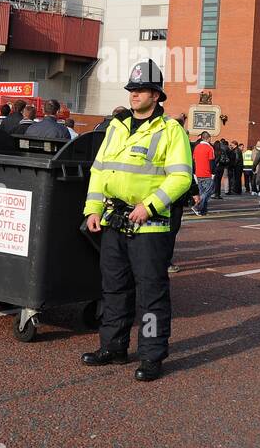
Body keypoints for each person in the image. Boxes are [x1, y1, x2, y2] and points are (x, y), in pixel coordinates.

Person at [81, 59, 191, 382]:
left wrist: (150, 206)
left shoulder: (171, 130)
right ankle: (113, 347)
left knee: (151, 293)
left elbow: (181, 178)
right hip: (115, 221)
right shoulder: (116, 126)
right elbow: (99, 171)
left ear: (156, 95)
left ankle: (151, 355)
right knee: (114, 288)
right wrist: (92, 209)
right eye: (132, 89)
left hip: (150, 225)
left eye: (141, 90)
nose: (134, 94)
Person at [191, 132, 215, 215]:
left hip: (198, 173)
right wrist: (213, 173)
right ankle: (197, 206)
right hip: (207, 173)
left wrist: (194, 172)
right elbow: (211, 161)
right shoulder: (209, 148)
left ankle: (203, 210)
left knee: (202, 192)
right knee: (208, 192)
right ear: (208, 138)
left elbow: (194, 160)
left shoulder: (196, 147)